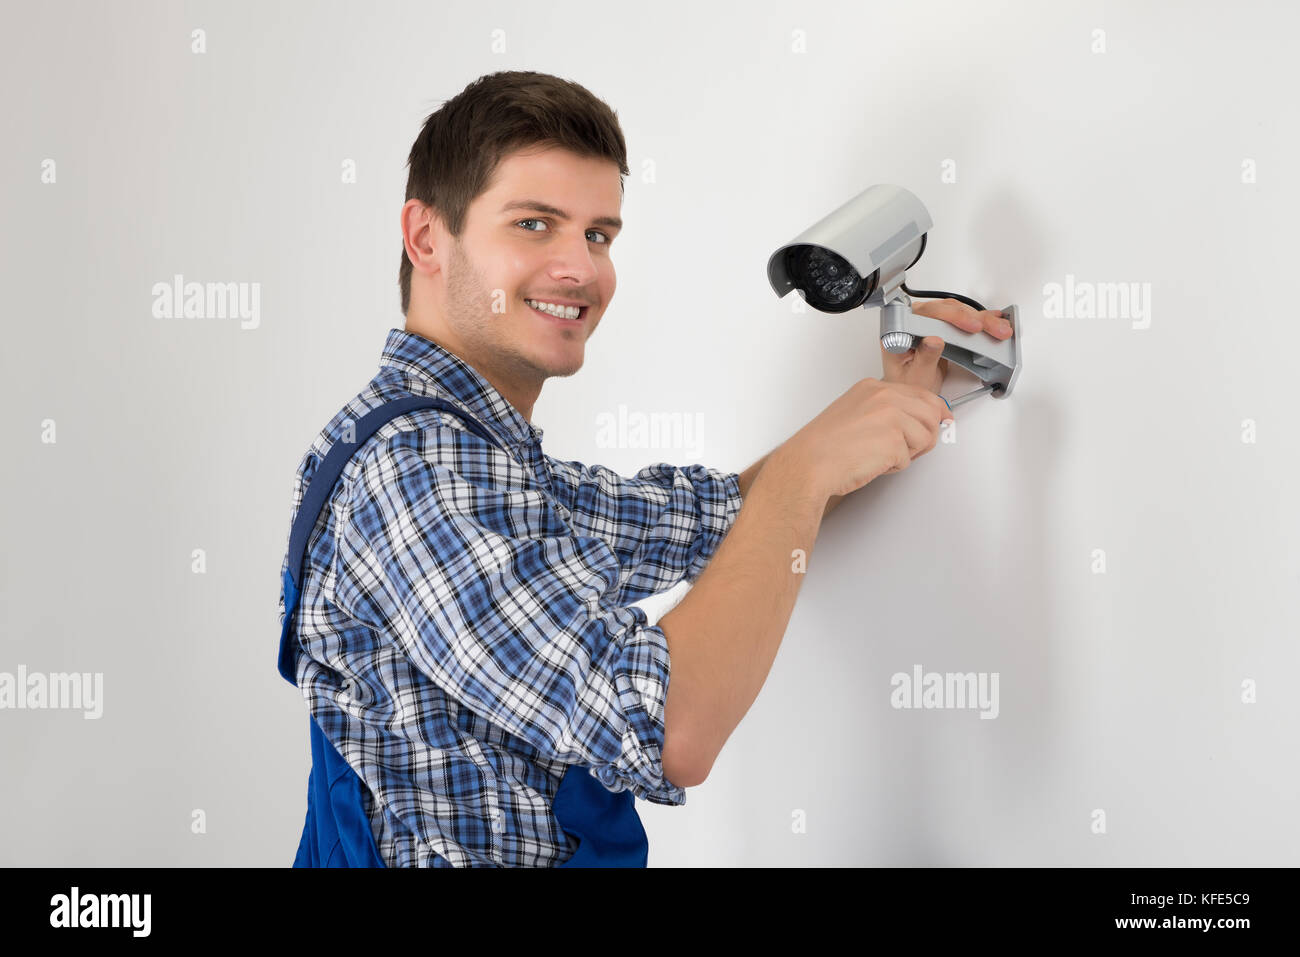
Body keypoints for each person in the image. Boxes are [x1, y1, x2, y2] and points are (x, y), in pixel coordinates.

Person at [278, 69, 1014, 867]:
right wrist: (808, 468)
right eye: (534, 224)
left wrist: (869, 419)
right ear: (426, 237)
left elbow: (709, 518)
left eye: (598, 234)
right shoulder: (417, 469)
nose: (581, 269)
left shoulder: (483, 463)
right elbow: (667, 727)